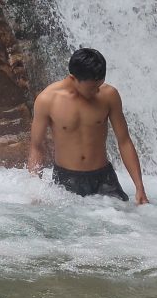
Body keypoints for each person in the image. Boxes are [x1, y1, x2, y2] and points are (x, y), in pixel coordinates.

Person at [27, 47, 149, 205]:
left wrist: (139, 187)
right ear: (73, 78)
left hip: (103, 179)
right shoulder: (47, 100)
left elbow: (124, 141)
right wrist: (34, 189)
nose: (96, 91)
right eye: (92, 88)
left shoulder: (109, 96)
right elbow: (37, 146)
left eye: (99, 85)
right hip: (66, 180)